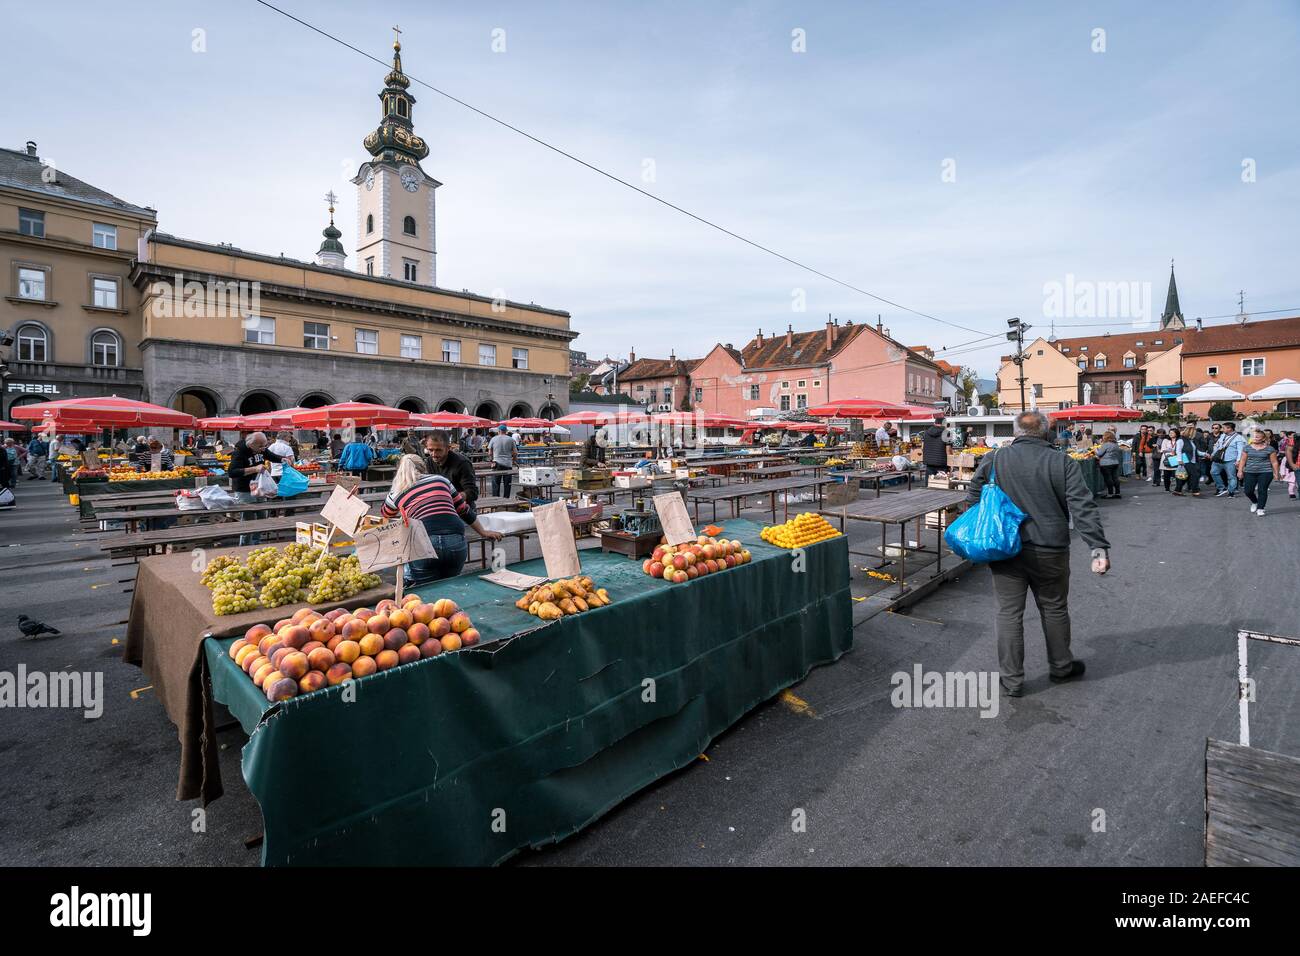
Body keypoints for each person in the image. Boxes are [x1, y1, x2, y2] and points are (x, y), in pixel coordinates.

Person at [963, 410, 1109, 697]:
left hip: (1004, 547)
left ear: (1015, 432)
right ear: (1045, 432)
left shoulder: (996, 458)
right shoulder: (1061, 461)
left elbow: (973, 494)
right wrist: (1097, 546)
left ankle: (1012, 681)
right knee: (1054, 608)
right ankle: (1061, 666)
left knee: (1008, 614)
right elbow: (1082, 505)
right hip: (1050, 547)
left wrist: (979, 527)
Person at [380, 455, 502, 586]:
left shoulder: (396, 491)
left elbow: (386, 513)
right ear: (424, 467)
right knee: (449, 589)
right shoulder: (441, 480)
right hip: (455, 542)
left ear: (400, 471)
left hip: (423, 544)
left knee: (428, 593)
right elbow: (463, 510)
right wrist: (483, 532)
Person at [228, 432, 286, 546]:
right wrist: (254, 469)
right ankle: (245, 546)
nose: (263, 449)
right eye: (260, 446)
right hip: (244, 489)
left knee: (262, 517)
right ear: (251, 445)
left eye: (264, 445)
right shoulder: (239, 452)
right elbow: (232, 472)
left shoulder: (262, 448)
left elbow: (271, 456)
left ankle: (256, 543)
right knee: (248, 520)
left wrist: (283, 459)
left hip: (259, 487)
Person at [423, 430, 479, 504]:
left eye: (438, 450)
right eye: (430, 450)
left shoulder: (462, 463)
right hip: (439, 505)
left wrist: (451, 498)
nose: (434, 454)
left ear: (448, 448)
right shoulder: (429, 461)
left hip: (463, 508)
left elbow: (473, 492)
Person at [1237, 430, 1280, 516]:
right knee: (1248, 491)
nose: (1255, 438)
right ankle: (1254, 502)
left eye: (1257, 436)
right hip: (1250, 472)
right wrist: (1240, 470)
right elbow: (1243, 460)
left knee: (1262, 490)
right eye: (1253, 436)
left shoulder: (1270, 449)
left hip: (1265, 472)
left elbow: (1274, 462)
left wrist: (1276, 473)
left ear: (1263, 438)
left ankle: (1261, 508)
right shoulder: (1247, 447)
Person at [1210, 421, 1245, 497]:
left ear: (1230, 428)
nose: (1222, 429)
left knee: (1231, 477)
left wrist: (1238, 460)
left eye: (1224, 428)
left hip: (1230, 460)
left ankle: (1231, 492)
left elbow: (1240, 450)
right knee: (1213, 472)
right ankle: (1221, 488)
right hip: (1218, 459)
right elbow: (1217, 446)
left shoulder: (1239, 438)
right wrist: (1212, 454)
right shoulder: (1222, 436)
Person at [488, 425, 518, 498]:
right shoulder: (510, 439)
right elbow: (515, 453)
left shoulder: (493, 439)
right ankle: (506, 500)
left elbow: (489, 453)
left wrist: (491, 460)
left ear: (498, 431)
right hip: (508, 464)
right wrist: (514, 461)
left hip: (496, 464)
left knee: (496, 484)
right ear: (506, 431)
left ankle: (496, 500)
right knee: (507, 484)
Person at [1171, 427, 1201, 496]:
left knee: (1184, 476)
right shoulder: (1181, 440)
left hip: (1192, 461)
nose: (1194, 434)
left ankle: (1177, 490)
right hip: (1185, 461)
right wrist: (1179, 460)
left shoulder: (1191, 441)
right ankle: (1195, 490)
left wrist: (1204, 454)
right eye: (1193, 433)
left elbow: (1195, 451)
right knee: (1195, 475)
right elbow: (1178, 451)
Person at [1095, 430, 1122, 499]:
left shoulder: (1105, 444)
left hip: (1106, 463)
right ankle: (1117, 493)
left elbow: (1099, 454)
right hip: (1115, 462)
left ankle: (1110, 493)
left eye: (1103, 436)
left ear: (1106, 437)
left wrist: (1096, 450)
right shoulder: (1116, 444)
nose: (1103, 437)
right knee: (1115, 478)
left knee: (1108, 479)